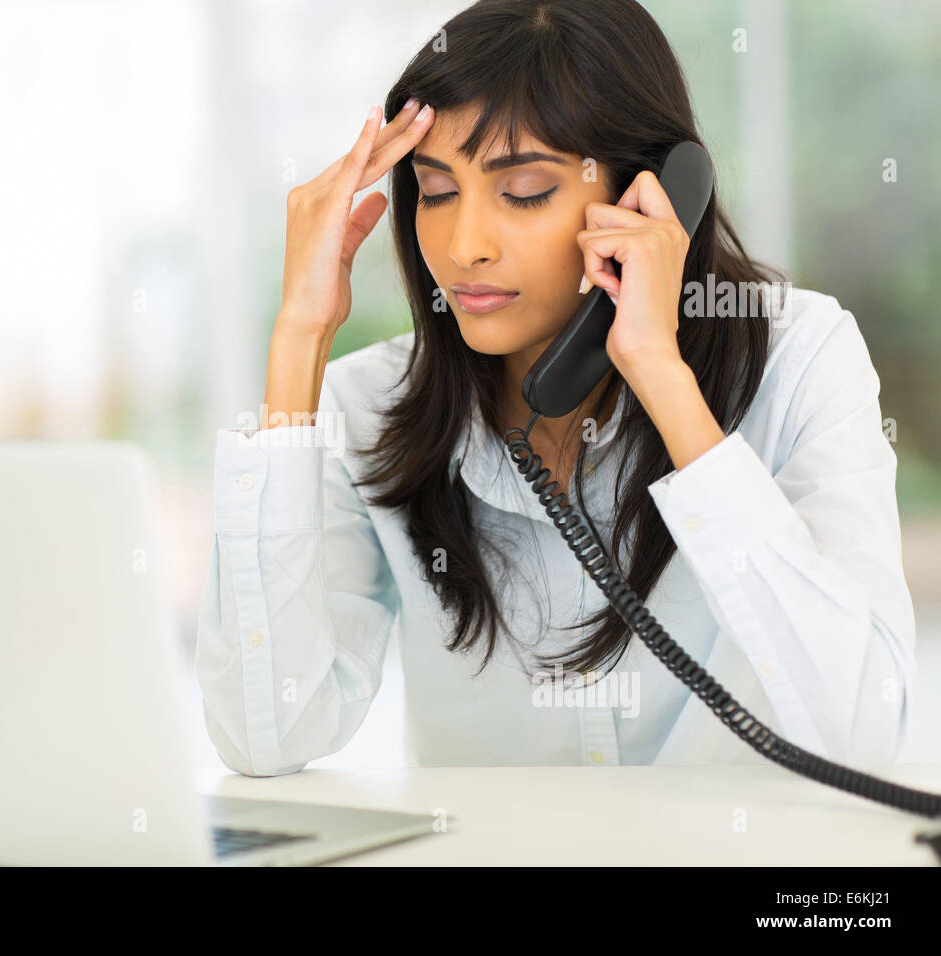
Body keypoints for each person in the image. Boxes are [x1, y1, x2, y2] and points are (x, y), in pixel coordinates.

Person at [194, 0, 915, 777]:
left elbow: (862, 733)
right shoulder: (366, 408)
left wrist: (662, 377)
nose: (464, 247)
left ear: (654, 193)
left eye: (526, 191)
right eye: (436, 191)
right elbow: (265, 741)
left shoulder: (799, 357)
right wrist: (298, 339)